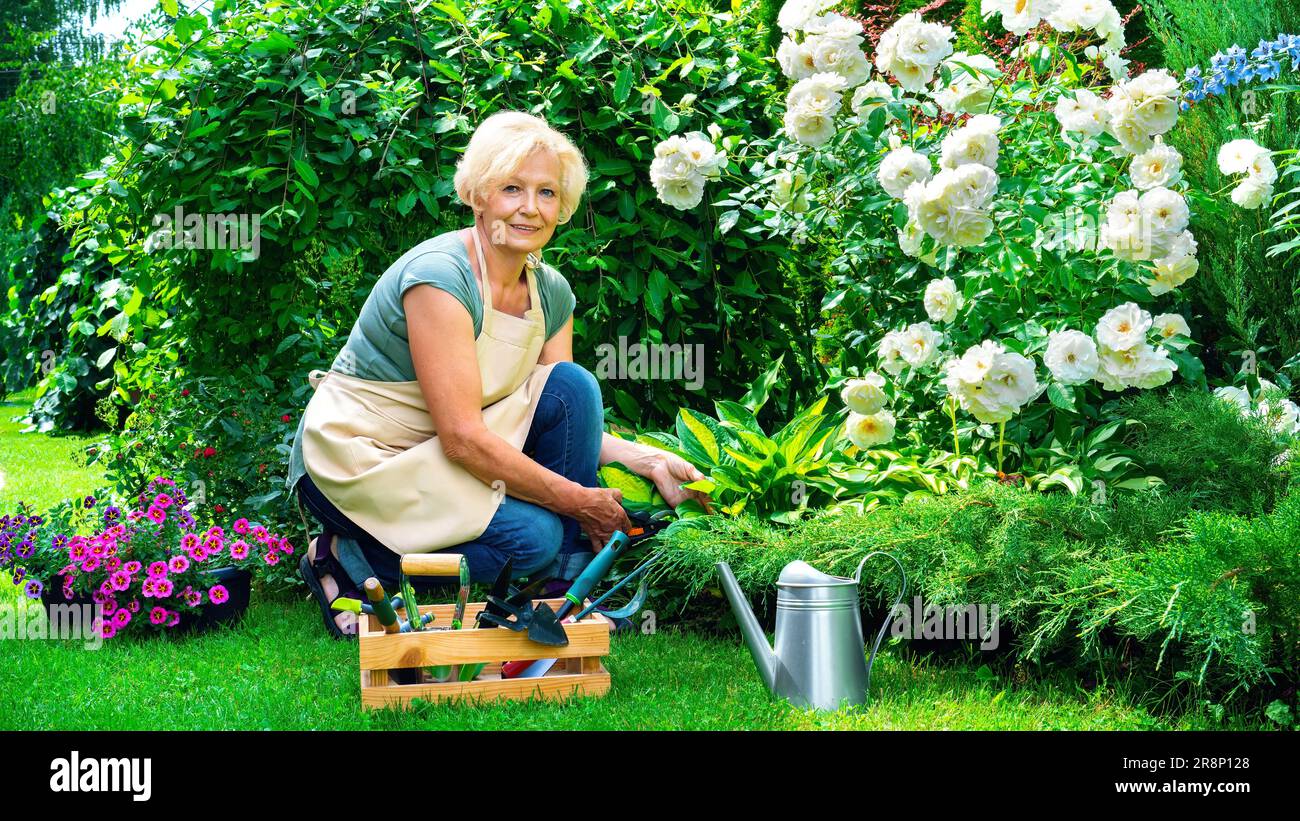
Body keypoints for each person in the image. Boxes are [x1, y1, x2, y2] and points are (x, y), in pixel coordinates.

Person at [284, 110, 712, 637]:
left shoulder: (551, 292)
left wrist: (651, 459)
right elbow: (463, 438)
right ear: (478, 195)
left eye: (547, 192)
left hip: (437, 458)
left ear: (562, 206)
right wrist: (581, 503)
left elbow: (559, 415)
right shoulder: (440, 279)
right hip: (361, 459)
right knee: (532, 539)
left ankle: (562, 593)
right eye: (512, 188)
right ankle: (347, 557)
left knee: (573, 386)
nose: (530, 207)